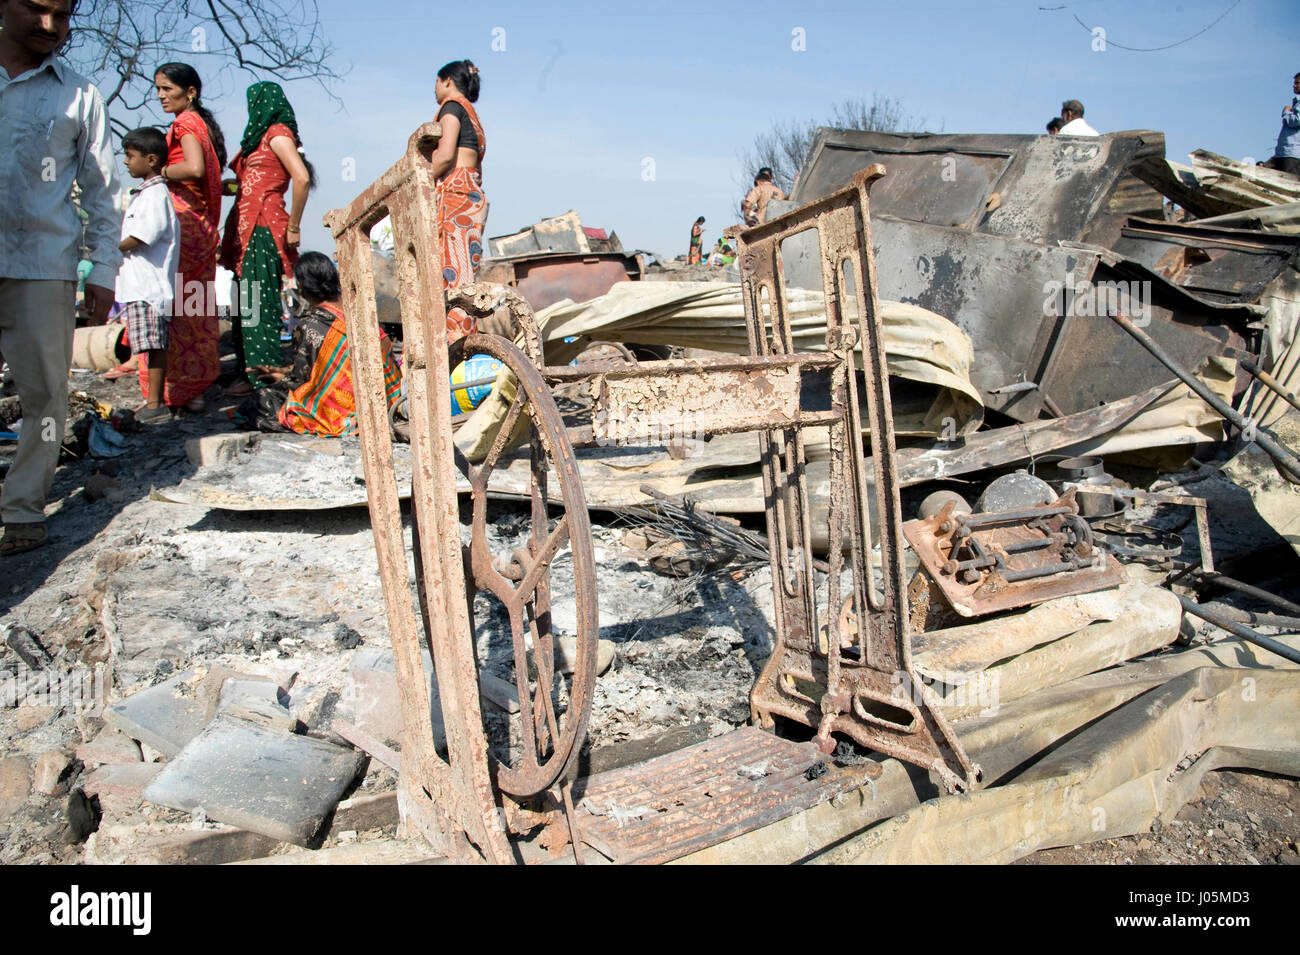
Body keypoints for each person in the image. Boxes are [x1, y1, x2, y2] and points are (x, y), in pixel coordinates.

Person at [0, 0, 121, 556]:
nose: (50, 27)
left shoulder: (79, 94)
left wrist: (103, 268)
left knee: (45, 393)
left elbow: (101, 189)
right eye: (36, 9)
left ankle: (23, 505)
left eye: (62, 15)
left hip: (44, 264)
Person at [220, 81, 315, 395]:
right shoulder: (257, 140)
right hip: (246, 227)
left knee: (258, 299)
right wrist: (223, 187)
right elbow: (248, 184)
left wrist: (295, 226)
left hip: (265, 224)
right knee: (244, 299)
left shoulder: (276, 133)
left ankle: (264, 378)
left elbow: (300, 177)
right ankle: (249, 372)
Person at [245, 252, 401, 437]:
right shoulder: (358, 307)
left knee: (258, 402)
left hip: (347, 411)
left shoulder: (312, 324)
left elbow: (301, 381)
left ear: (304, 288)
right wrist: (282, 371)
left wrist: (280, 379)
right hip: (388, 400)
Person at [147, 62, 226, 413]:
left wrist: (158, 171)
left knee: (175, 308)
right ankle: (193, 388)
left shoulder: (184, 123)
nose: (161, 96)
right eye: (159, 90)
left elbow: (193, 168)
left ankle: (177, 389)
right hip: (197, 226)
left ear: (190, 91)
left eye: (167, 89)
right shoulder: (201, 124)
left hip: (184, 226)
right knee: (194, 308)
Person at [117, 127, 180, 424]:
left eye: (130, 156)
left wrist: (114, 246)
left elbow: (144, 235)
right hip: (142, 284)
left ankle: (155, 404)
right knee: (149, 345)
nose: (126, 162)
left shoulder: (155, 194)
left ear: (151, 159)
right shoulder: (145, 193)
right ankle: (152, 402)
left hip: (150, 286)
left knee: (154, 345)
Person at [431, 59, 487, 341]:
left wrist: (421, 178)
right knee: (465, 279)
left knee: (450, 278)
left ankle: (453, 347)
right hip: (471, 196)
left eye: (436, 82)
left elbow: (443, 156)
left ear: (448, 81)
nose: (435, 89)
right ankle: (463, 345)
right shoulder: (473, 115)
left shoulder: (451, 108)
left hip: (454, 197)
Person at [1264, 72, 1300, 177]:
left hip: (1293, 154)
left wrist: (1286, 112)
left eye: (1297, 83)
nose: (1294, 85)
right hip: (1286, 153)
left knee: (1289, 184)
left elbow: (1297, 121)